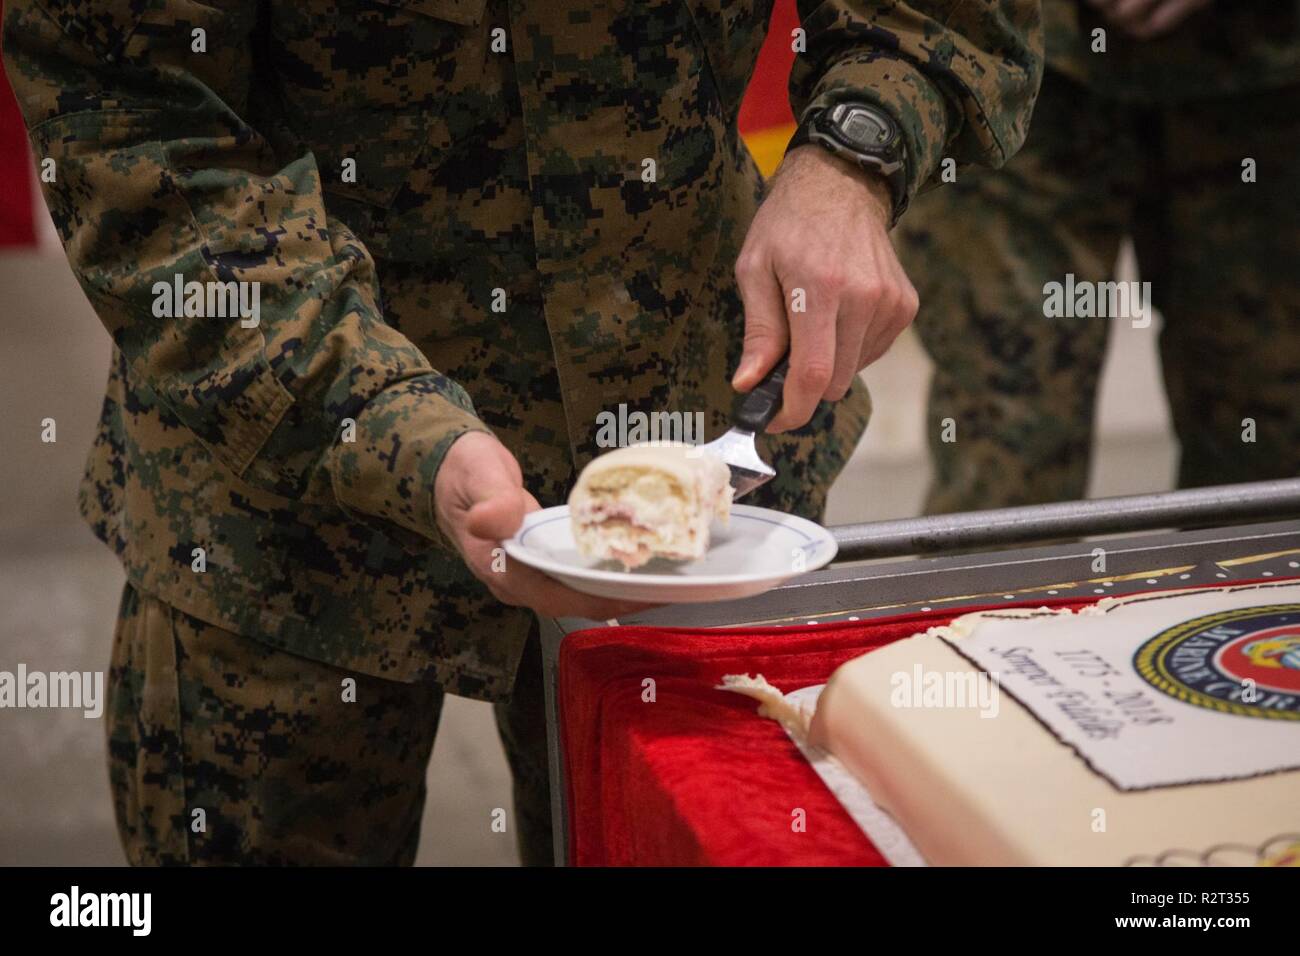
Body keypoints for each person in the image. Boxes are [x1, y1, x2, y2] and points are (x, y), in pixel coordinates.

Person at [2, 0, 1041, 865]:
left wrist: (850, 156)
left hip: (684, 477)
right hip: (276, 480)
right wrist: (393, 428)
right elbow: (135, 129)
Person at [897, 0, 1300, 514]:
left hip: (1265, 83)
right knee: (1007, 440)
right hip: (1002, 61)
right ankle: (1013, 597)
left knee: (1265, 446)